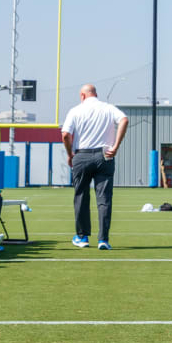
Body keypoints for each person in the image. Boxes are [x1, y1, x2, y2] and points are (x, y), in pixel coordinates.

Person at [62, 84, 128, 250]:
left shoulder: (75, 110)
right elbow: (124, 120)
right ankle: (103, 239)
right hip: (104, 155)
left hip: (82, 155)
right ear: (96, 94)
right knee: (104, 199)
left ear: (82, 96)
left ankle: (82, 237)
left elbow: (65, 134)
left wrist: (70, 154)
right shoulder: (108, 108)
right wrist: (116, 146)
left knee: (81, 197)